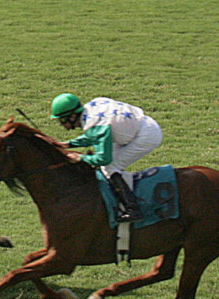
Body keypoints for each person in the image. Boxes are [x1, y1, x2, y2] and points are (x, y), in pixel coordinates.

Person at [49, 93, 163, 224]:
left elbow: (104, 159)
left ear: (73, 116)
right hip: (139, 126)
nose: (62, 125)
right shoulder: (92, 107)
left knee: (110, 167)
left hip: (146, 136)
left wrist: (80, 157)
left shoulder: (94, 124)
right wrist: (70, 144)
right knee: (107, 166)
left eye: (63, 121)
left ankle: (132, 209)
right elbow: (96, 135)